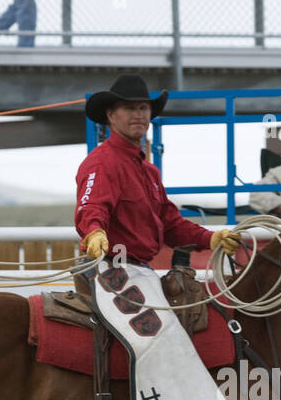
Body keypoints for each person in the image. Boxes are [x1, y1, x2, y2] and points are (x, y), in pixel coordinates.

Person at [75, 73, 241, 270]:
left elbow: (171, 225)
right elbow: (92, 207)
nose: (138, 115)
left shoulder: (149, 171)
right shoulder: (103, 162)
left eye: (143, 108)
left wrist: (211, 238)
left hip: (136, 270)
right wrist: (94, 232)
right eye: (129, 108)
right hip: (111, 268)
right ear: (111, 115)